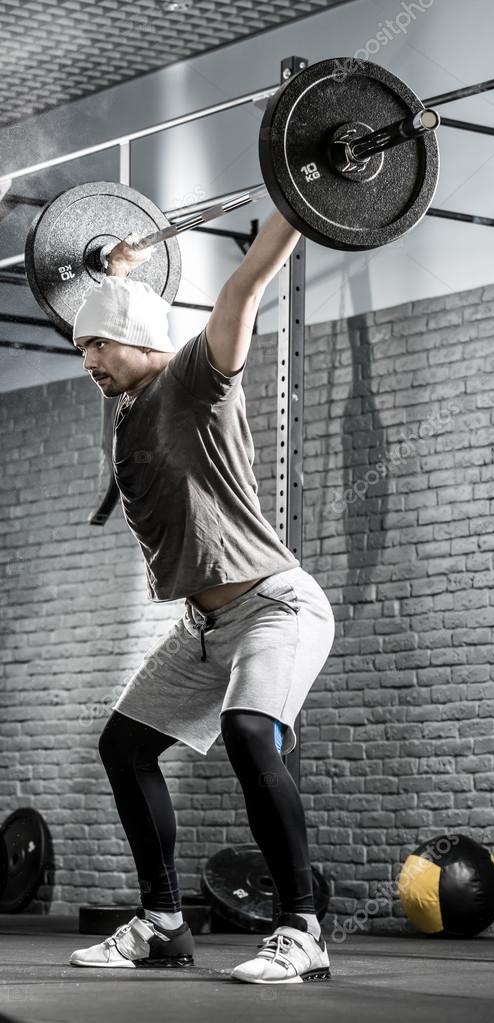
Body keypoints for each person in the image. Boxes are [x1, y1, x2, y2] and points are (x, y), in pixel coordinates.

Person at [68, 211, 336, 984]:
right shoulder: (126, 407)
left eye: (97, 345)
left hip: (276, 605)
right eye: (82, 346)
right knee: (124, 746)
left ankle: (304, 928)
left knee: (253, 732)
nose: (88, 358)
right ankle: (162, 922)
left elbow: (246, 285)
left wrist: (296, 198)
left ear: (145, 341)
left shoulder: (196, 377)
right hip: (205, 625)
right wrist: (114, 273)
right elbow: (116, 314)